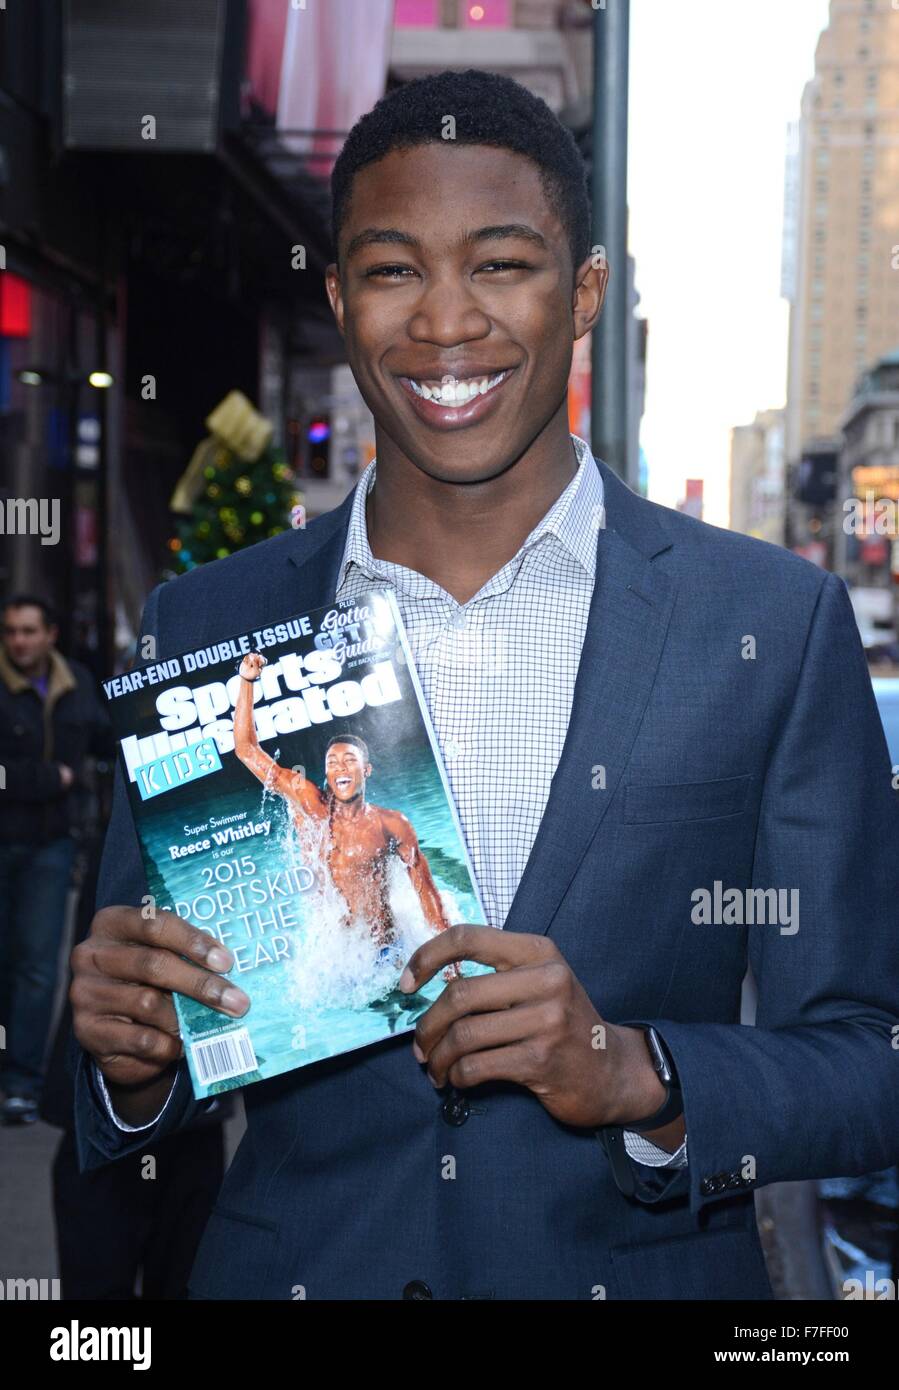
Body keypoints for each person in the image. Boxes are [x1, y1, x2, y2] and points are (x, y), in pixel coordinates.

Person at [71, 70, 899, 1301]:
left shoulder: (768, 624)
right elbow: (149, 1075)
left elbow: (866, 1062)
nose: (445, 323)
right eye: (395, 269)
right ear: (342, 298)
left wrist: (639, 1074)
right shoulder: (210, 621)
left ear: (582, 296)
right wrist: (129, 1066)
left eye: (500, 264)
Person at [233, 651, 454, 955]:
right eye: (332, 763)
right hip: (338, 949)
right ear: (326, 772)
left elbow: (425, 891)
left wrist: (450, 954)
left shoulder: (390, 823)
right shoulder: (310, 804)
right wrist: (246, 681)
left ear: (366, 771)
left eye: (349, 761)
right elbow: (246, 749)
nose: (340, 768)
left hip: (384, 943)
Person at [0, 595, 107, 1123]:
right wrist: (50, 780)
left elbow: (106, 739)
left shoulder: (78, 683)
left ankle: (21, 1083)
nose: (18, 640)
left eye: (28, 631)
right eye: (11, 631)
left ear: (50, 634)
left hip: (51, 844)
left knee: (39, 967)